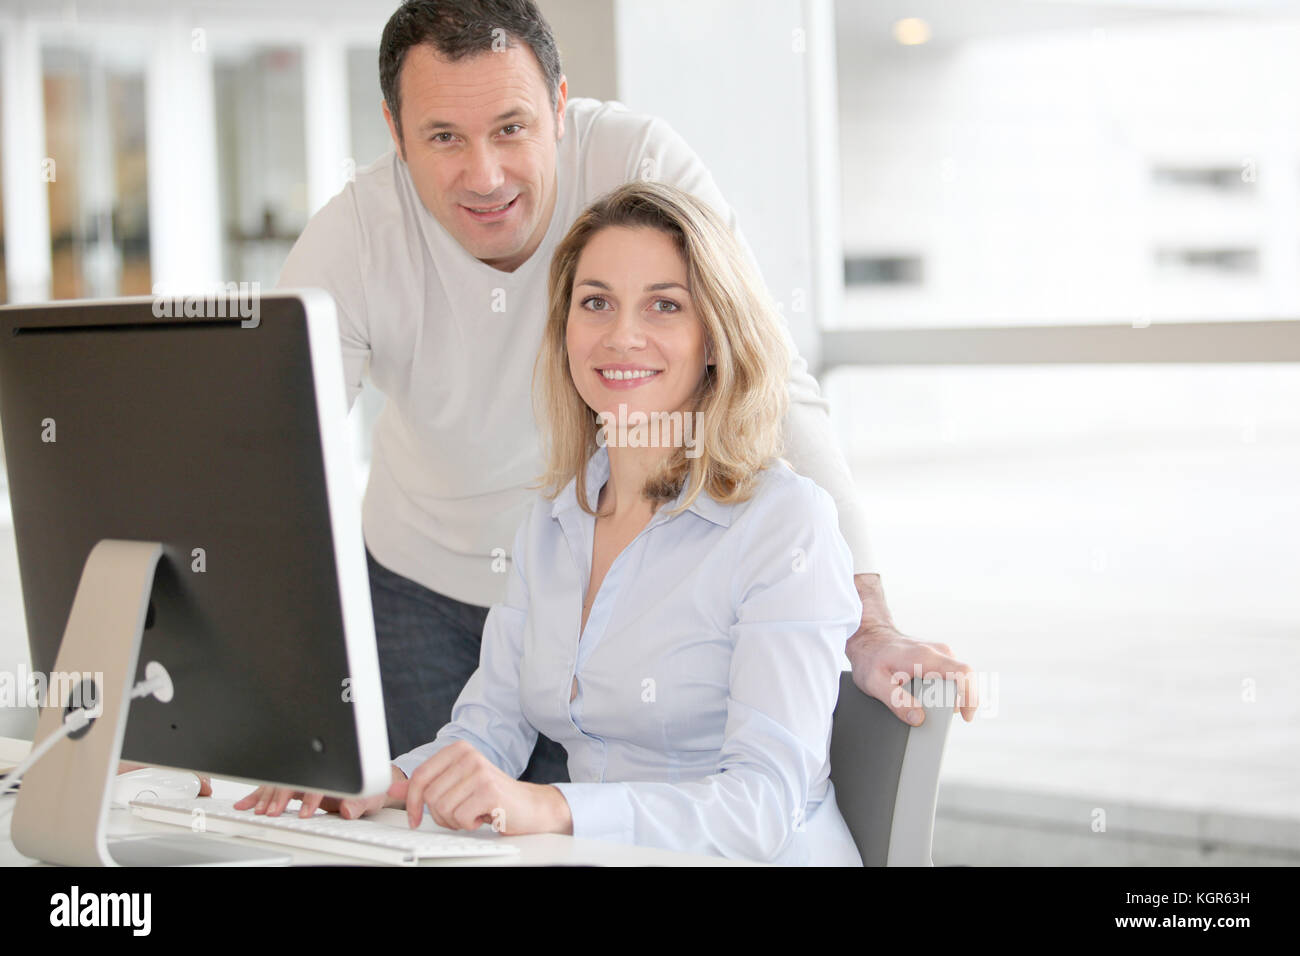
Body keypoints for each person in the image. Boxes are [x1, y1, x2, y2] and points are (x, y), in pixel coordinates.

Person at [274, 0, 976, 783]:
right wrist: (248, 709)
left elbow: (770, 374)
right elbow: (269, 454)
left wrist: (869, 623)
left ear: (561, 107)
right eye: (443, 137)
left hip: (608, 565)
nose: (485, 175)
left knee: (578, 811)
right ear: (395, 133)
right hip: (422, 583)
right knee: (441, 823)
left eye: (511, 127)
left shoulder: (636, 159)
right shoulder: (356, 235)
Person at [242, 180, 864, 865]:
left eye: (664, 305)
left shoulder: (784, 524)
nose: (622, 335)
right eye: (595, 303)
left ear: (714, 338)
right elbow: (489, 729)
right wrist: (377, 782)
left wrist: (550, 806)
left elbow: (762, 807)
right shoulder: (554, 517)